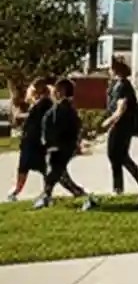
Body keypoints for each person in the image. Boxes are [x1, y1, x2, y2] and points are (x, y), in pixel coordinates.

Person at [33, 79, 96, 211]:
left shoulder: (63, 108)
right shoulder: (63, 107)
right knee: (58, 174)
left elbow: (60, 128)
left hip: (59, 147)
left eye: (56, 90)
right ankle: (52, 196)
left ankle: (82, 196)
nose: (53, 92)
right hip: (58, 146)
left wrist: (53, 144)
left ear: (62, 91)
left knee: (54, 174)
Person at [101, 59, 138, 200]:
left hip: (121, 126)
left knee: (117, 155)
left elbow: (121, 107)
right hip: (122, 125)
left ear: (116, 70)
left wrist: (109, 121)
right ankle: (121, 187)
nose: (109, 72)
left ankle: (128, 186)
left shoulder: (122, 86)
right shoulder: (119, 85)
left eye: (111, 69)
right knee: (118, 156)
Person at [6, 78, 53, 201]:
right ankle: (17, 190)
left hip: (37, 140)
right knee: (24, 167)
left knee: (43, 168)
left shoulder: (45, 102)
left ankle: (47, 193)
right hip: (30, 139)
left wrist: (19, 114)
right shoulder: (37, 102)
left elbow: (28, 115)